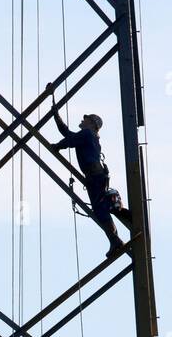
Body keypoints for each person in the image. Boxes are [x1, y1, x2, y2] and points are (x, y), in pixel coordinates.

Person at [49, 103, 133, 258]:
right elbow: (67, 134)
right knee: (101, 209)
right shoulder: (89, 136)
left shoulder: (87, 134)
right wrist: (55, 112)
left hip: (94, 177)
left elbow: (69, 140)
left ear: (93, 124)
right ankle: (117, 234)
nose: (83, 119)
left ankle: (116, 241)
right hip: (96, 176)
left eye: (86, 119)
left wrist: (57, 146)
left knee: (100, 211)